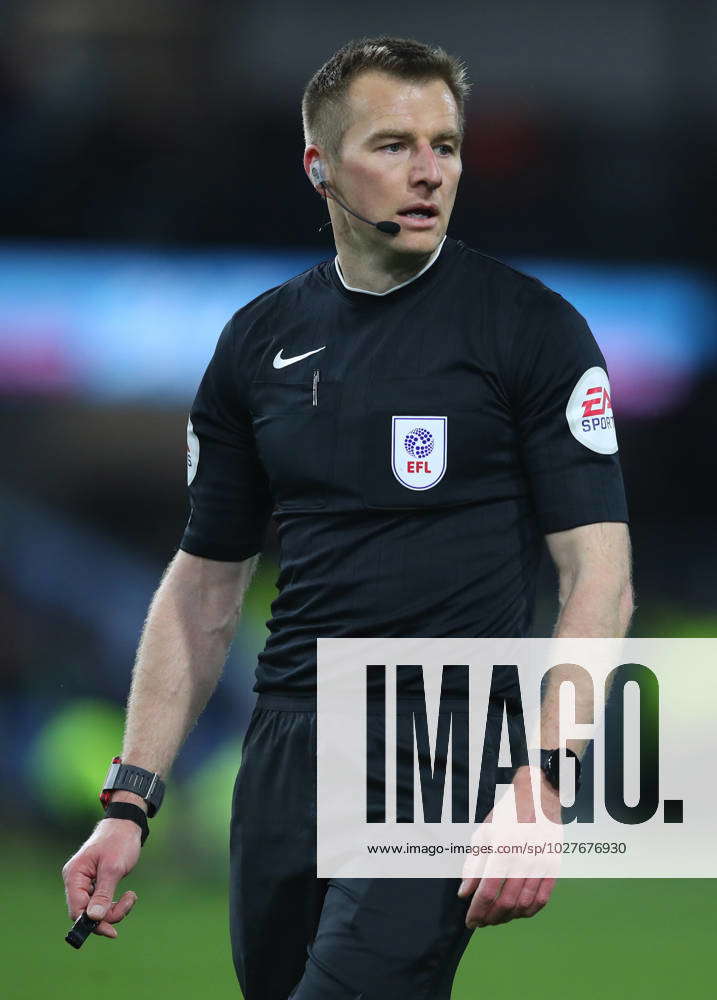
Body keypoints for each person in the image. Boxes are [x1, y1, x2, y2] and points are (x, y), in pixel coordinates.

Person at [62, 36, 634, 1000]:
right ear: (319, 167)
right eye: (392, 144)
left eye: (445, 146)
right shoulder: (257, 343)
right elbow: (204, 585)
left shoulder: (529, 329)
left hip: (444, 742)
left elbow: (599, 579)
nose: (427, 172)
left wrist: (543, 779)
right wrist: (129, 801)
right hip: (287, 744)